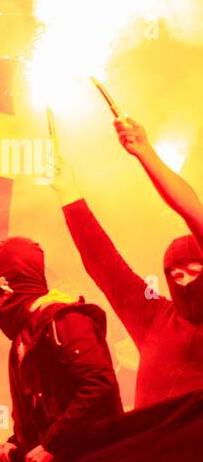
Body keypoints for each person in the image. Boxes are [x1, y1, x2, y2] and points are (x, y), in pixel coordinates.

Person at [49, 116, 203, 406]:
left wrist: (145, 153)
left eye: (195, 273)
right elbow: (103, 263)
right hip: (151, 449)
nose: (184, 282)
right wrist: (68, 192)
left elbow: (193, 213)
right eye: (176, 275)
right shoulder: (154, 318)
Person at [0, 237, 123, 462]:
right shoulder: (23, 336)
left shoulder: (66, 321)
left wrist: (52, 444)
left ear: (9, 287)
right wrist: (17, 441)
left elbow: (99, 384)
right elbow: (41, 409)